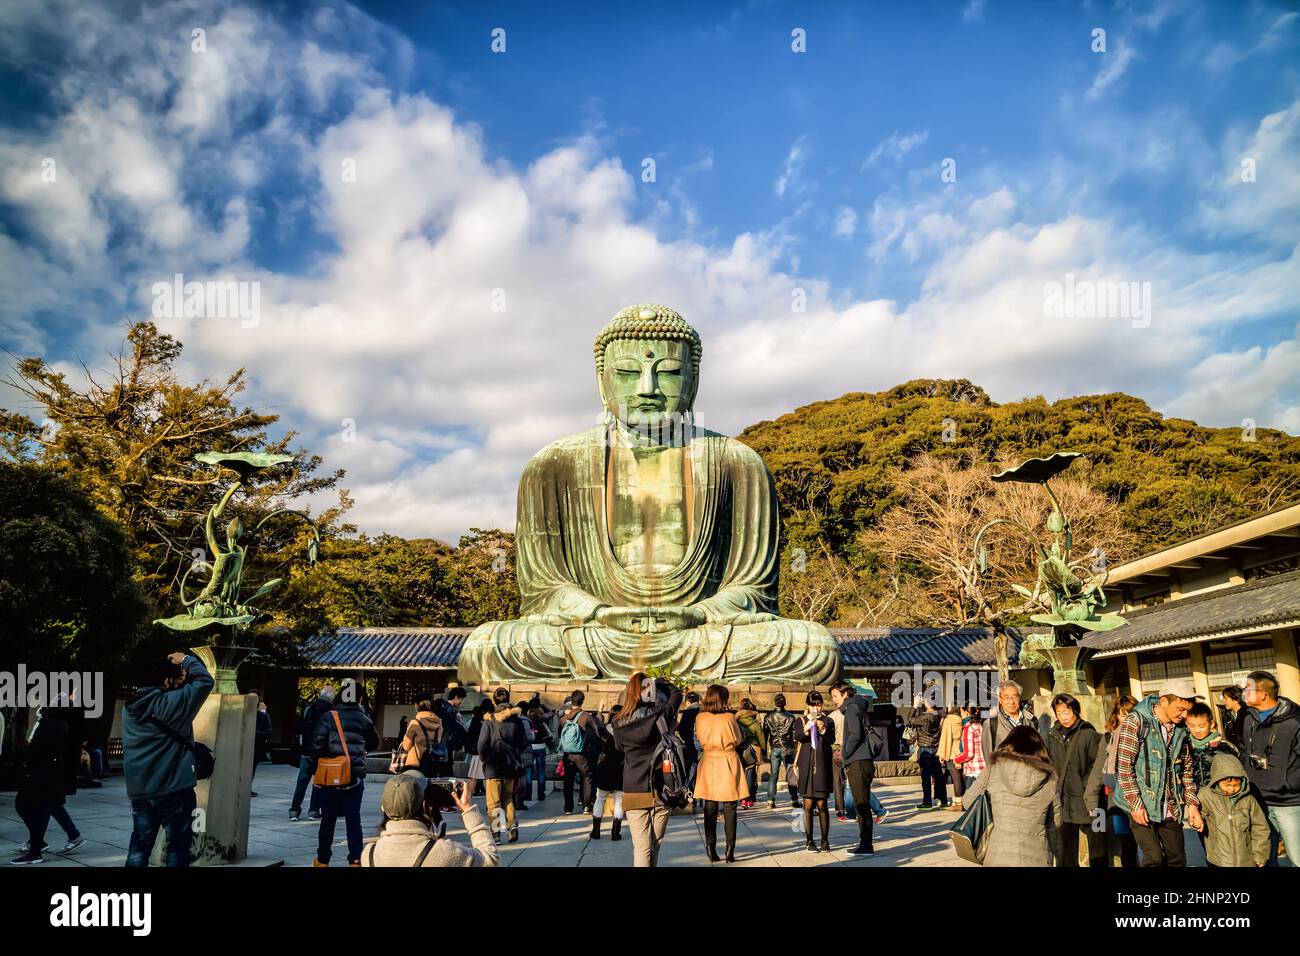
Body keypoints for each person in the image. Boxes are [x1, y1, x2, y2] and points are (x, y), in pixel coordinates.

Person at [121, 652, 214, 868]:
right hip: (173, 787)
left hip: (140, 788)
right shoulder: (173, 703)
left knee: (139, 845)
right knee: (177, 846)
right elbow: (205, 680)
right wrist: (185, 660)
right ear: (166, 680)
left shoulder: (130, 708)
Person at [1114, 678, 1203, 867]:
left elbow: (1186, 769)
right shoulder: (1136, 722)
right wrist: (1135, 804)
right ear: (1163, 701)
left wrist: (1192, 804)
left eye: (1188, 709)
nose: (1185, 715)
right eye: (1180, 709)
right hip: (1141, 803)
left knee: (1177, 859)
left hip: (1170, 805)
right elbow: (1124, 767)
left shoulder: (1181, 729)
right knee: (1154, 859)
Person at [610, 673, 683, 867]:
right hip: (662, 788)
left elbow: (618, 749)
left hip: (634, 787)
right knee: (654, 844)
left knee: (642, 847)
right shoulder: (659, 716)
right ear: (649, 692)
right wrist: (659, 682)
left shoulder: (618, 723)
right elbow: (677, 695)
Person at [966, 725, 1062, 866]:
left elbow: (968, 801)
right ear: (1040, 749)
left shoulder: (993, 770)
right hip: (1037, 857)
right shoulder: (1050, 779)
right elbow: (1056, 822)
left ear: (1008, 744)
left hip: (997, 854)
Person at [363, 771, 499, 867]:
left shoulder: (369, 854)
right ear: (425, 806)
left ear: (384, 809)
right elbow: (490, 860)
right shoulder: (444, 852)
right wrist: (469, 812)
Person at [1239, 669, 1300, 866]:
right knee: (1263, 858)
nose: (1243, 693)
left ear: (1263, 694)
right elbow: (1244, 751)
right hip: (1258, 800)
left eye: (1248, 689)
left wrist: (1291, 783)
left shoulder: (1294, 721)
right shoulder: (1249, 718)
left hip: (1289, 802)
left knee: (1297, 856)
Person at [312, 687, 378, 867]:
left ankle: (323, 859)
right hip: (354, 776)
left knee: (328, 819)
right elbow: (373, 743)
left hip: (331, 776)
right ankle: (355, 859)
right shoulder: (364, 719)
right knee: (353, 819)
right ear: (360, 699)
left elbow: (317, 745)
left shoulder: (328, 717)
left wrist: (330, 758)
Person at [1044, 692, 1106, 867]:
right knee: (1065, 853)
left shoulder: (1089, 733)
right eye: (1059, 712)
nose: (1063, 716)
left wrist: (1087, 789)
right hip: (1063, 801)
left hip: (1093, 800)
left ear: (1076, 711)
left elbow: (1098, 766)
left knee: (1099, 848)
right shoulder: (1052, 735)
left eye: (1067, 711)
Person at [11, 703, 74, 865]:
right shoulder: (59, 722)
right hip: (49, 772)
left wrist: (23, 755)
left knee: (32, 807)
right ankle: (37, 845)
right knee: (37, 808)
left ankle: (36, 849)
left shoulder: (49, 723)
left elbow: (38, 749)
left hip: (42, 773)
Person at [693, 684, 749, 862]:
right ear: (722, 698)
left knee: (710, 806)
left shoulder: (700, 717)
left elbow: (699, 739)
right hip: (727, 759)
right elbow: (738, 739)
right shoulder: (729, 717)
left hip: (709, 759)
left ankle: (711, 847)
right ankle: (729, 850)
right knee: (730, 807)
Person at [1198, 753, 1270, 868]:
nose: (1232, 789)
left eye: (1236, 785)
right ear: (1217, 780)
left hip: (1246, 860)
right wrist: (1197, 819)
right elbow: (1198, 815)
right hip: (1218, 859)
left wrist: (1260, 855)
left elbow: (1260, 828)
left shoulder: (1248, 799)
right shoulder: (1206, 796)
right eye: (1227, 785)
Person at [477, 689, 529, 844]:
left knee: (493, 803)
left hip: (492, 766)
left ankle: (496, 833)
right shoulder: (517, 721)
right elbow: (523, 743)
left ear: (494, 701)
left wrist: (484, 758)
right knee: (508, 798)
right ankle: (512, 827)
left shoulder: (489, 721)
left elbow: (481, 745)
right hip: (510, 766)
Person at [832, 681, 875, 855]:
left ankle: (866, 845)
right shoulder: (858, 706)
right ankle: (865, 843)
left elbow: (855, 735)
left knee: (861, 804)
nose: (834, 700)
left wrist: (844, 753)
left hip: (858, 761)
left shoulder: (851, 708)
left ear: (845, 694)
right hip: (862, 760)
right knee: (861, 803)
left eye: (835, 696)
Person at [793, 690, 836, 853]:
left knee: (822, 804)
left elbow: (831, 739)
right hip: (806, 766)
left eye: (818, 705)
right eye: (812, 705)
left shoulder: (828, 720)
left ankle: (825, 840)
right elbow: (797, 736)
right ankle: (809, 840)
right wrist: (806, 728)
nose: (815, 708)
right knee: (808, 805)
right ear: (807, 705)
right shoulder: (800, 720)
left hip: (822, 766)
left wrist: (823, 728)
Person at [1101, 695, 1139, 868]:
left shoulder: (1143, 735)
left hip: (1139, 795)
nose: (1126, 720)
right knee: (1125, 840)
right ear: (1115, 715)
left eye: (1130, 714)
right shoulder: (1108, 737)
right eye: (1123, 714)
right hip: (1115, 796)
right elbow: (1098, 769)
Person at [290, 685, 335, 822]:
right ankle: (313, 810)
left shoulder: (308, 709)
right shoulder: (332, 713)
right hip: (322, 753)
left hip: (306, 751)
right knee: (318, 783)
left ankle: (294, 810)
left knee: (301, 782)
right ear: (332, 698)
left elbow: (301, 728)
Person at [558, 690, 604, 814]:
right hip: (581, 753)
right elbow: (598, 730)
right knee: (587, 777)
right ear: (582, 701)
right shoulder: (586, 716)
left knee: (568, 780)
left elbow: (559, 734)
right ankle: (586, 806)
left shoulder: (563, 718)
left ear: (571, 701)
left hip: (567, 753)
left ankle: (568, 808)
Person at [981, 680, 1037, 764]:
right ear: (1000, 699)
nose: (1011, 701)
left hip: (1028, 773)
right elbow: (988, 756)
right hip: (1004, 774)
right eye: (1007, 697)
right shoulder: (991, 723)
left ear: (1019, 697)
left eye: (1015, 697)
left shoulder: (1031, 721)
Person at [591, 704, 625, 840]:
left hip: (604, 767)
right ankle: (615, 833)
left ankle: (596, 831)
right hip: (620, 768)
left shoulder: (602, 731)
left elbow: (596, 749)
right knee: (619, 801)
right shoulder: (625, 732)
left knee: (600, 799)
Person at [908, 700, 947, 810]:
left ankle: (927, 802)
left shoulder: (924, 717)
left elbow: (910, 720)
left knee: (926, 777)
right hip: (936, 747)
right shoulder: (939, 714)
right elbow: (942, 711)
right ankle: (943, 800)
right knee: (938, 775)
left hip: (925, 748)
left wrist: (915, 705)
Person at [763, 693, 799, 809]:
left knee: (773, 775)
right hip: (787, 748)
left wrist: (765, 749)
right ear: (784, 703)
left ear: (775, 703)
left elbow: (765, 734)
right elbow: (794, 735)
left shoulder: (768, 717)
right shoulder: (791, 717)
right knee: (790, 774)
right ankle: (794, 799)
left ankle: (770, 800)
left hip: (774, 748)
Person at [427, 687, 468, 777]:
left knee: (433, 774)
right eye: (461, 699)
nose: (461, 702)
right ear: (456, 697)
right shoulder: (451, 711)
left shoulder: (438, 708)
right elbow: (458, 731)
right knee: (447, 775)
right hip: (446, 746)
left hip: (433, 746)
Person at [398, 699, 444, 775]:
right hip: (432, 760)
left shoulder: (415, 723)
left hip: (414, 762)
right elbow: (438, 741)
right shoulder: (439, 722)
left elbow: (406, 746)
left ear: (418, 708)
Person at [735, 697, 765, 810]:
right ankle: (748, 799)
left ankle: (740, 796)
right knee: (751, 774)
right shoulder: (755, 722)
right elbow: (761, 739)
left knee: (740, 774)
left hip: (739, 749)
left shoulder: (735, 720)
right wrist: (763, 750)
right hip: (753, 750)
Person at [937, 704, 966, 813]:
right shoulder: (961, 719)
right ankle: (965, 800)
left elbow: (946, 738)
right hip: (962, 751)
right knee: (962, 778)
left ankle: (958, 802)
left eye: (949, 706)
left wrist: (942, 754)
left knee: (956, 778)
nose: (947, 708)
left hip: (952, 752)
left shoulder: (949, 720)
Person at [524, 704, 553, 802]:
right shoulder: (542, 723)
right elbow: (549, 734)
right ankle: (541, 794)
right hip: (541, 747)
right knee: (541, 771)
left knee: (528, 771)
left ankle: (528, 794)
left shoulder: (527, 723)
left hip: (530, 747)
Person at [954, 706, 985, 792]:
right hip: (985, 768)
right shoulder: (983, 725)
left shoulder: (969, 728)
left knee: (971, 802)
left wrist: (957, 760)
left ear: (965, 712)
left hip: (974, 771)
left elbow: (968, 753)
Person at [248, 690, 271, 796]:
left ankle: (247, 787)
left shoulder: (263, 716)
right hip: (243, 746)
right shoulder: (242, 713)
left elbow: (268, 732)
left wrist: (253, 732)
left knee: (251, 768)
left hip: (256, 746)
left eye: (255, 698)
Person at [677, 691, 701, 784]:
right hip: (703, 743)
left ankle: (689, 786)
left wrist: (686, 738)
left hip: (690, 742)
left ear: (687, 702)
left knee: (691, 766)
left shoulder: (687, 712)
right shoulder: (703, 711)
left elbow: (681, 729)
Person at [1219, 685, 1246, 750]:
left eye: (1226, 698)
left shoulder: (1248, 715)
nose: (1223, 701)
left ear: (1236, 700)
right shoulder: (1227, 716)